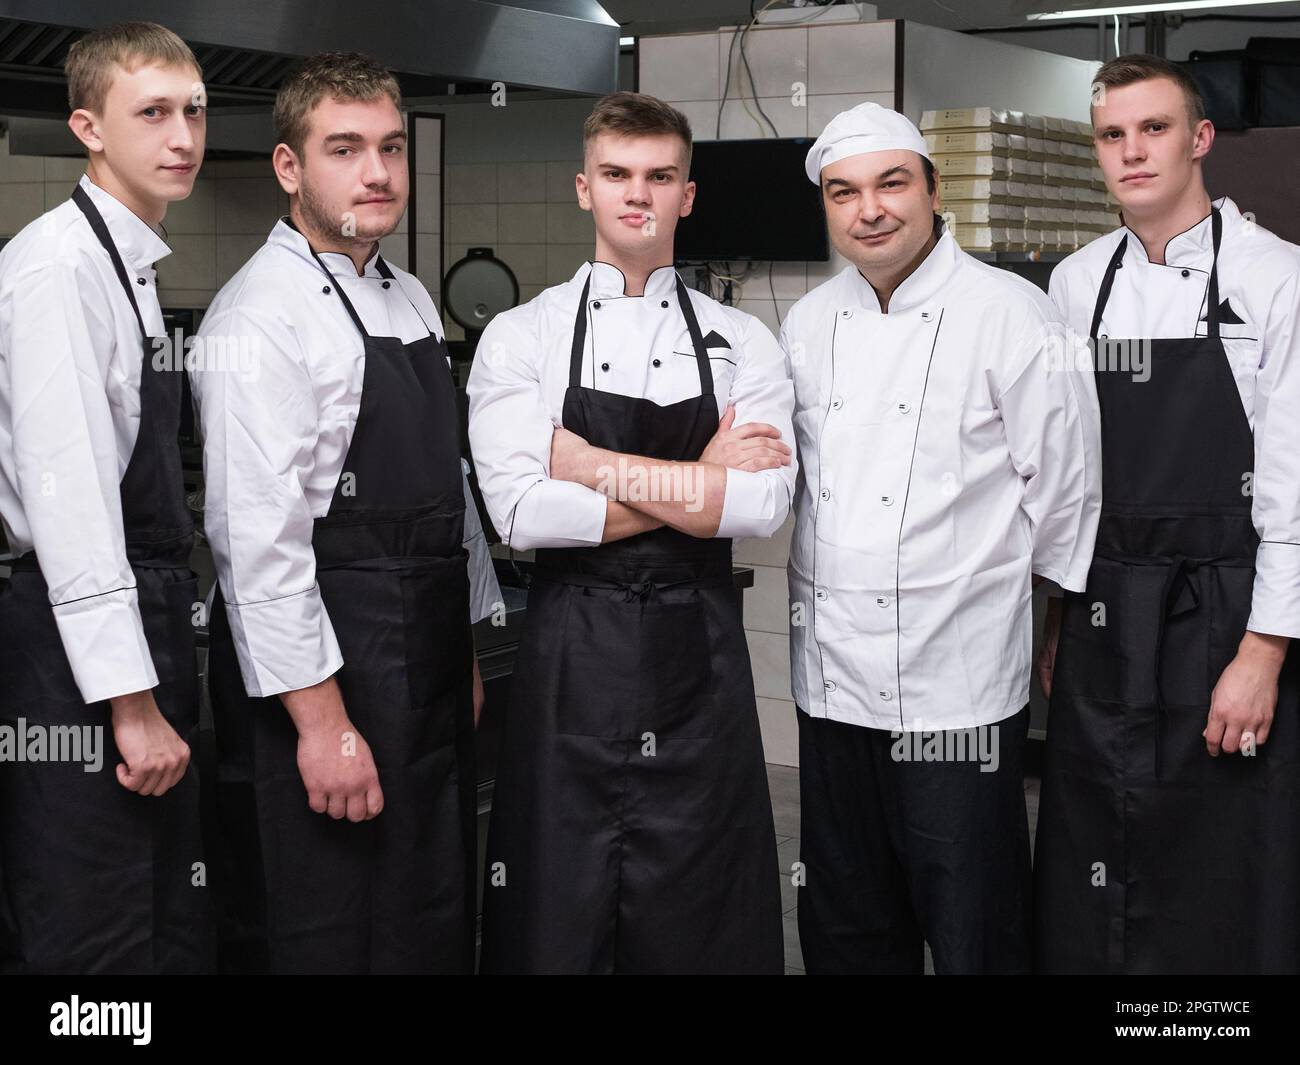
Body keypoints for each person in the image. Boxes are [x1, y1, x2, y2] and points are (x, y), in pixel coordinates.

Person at [468, 91, 796, 974]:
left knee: (702, 904)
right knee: (554, 898)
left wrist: (586, 463)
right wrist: (702, 479)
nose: (637, 196)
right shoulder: (522, 334)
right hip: (572, 650)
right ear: (585, 188)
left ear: (689, 195)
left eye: (660, 177)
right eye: (617, 175)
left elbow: (761, 508)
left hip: (700, 654)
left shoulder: (743, 339)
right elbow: (522, 515)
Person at [191, 52, 499, 974]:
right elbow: (257, 546)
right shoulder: (257, 317)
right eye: (345, 149)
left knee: (429, 909)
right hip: (332, 661)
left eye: (391, 148)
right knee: (333, 921)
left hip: (428, 657)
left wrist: (470, 642)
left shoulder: (403, 292)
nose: (377, 173)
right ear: (290, 168)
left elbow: (450, 486)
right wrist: (322, 725)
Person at [784, 102, 1100, 974]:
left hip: (955, 684)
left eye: (891, 184)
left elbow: (1068, 489)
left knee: (973, 918)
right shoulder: (807, 324)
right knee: (848, 920)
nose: (869, 209)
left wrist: (1054, 616)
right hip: (832, 683)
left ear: (932, 189)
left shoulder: (1015, 314)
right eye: (843, 192)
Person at [1036, 54, 1300, 974]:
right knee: (1096, 832)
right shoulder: (1076, 284)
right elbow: (1068, 468)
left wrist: (1264, 653)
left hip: (1224, 612)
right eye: (1113, 135)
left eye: (1154, 130)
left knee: (1222, 849)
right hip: (1108, 604)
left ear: (1201, 139)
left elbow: (1292, 482)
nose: (1132, 151)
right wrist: (1060, 611)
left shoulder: (1276, 278)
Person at [0, 21, 212, 973]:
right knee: (93, 926)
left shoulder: (125, 262)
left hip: (141, 629)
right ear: (88, 127)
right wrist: (130, 704)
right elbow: (73, 501)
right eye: (154, 113)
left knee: (155, 916)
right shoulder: (57, 270)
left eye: (196, 111)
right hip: (67, 652)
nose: (184, 137)